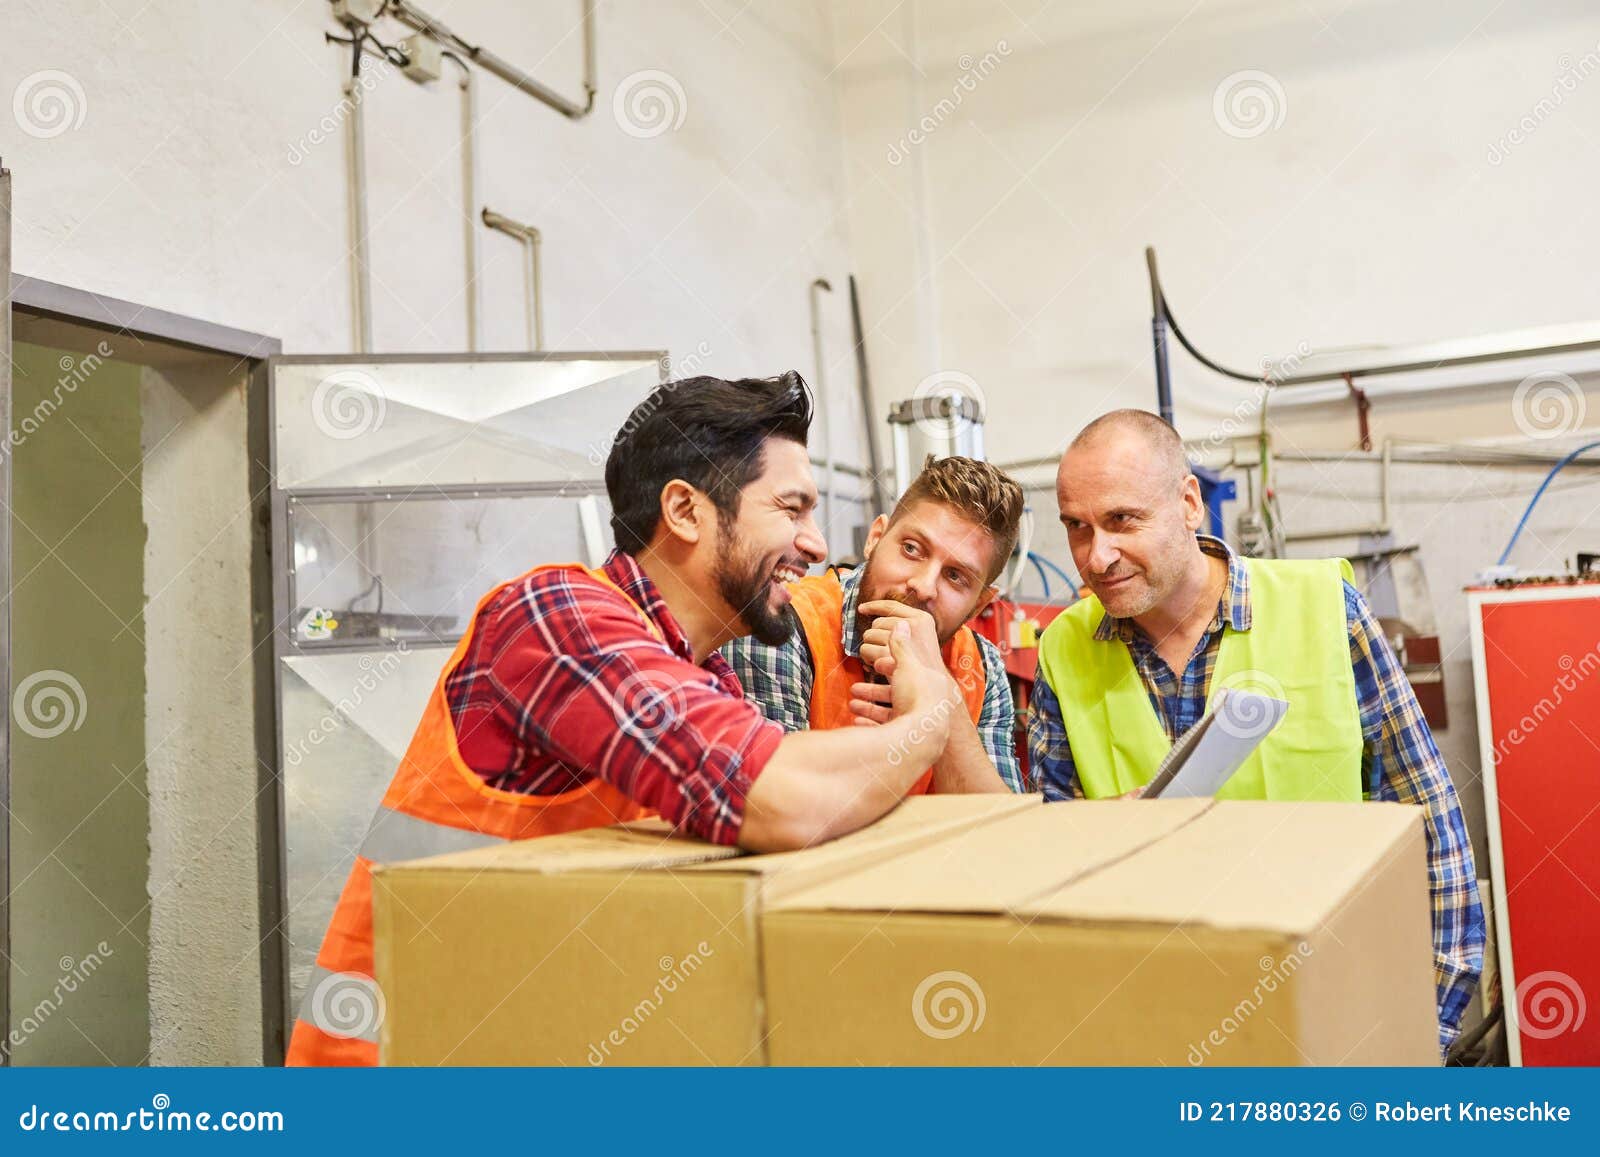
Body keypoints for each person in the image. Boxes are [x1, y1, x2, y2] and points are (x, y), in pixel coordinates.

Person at [287, 372, 963, 1066]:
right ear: (686, 510)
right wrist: (931, 717)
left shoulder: (709, 677)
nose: (817, 545)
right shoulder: (555, 615)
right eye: (791, 509)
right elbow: (782, 801)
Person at [1027, 409, 1485, 1053]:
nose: (1096, 556)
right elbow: (1044, 860)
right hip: (1156, 1035)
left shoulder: (1322, 607)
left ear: (1189, 503)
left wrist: (1421, 1031)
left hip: (1338, 1017)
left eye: (1122, 520)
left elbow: (1429, 827)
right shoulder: (1063, 649)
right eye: (1077, 527)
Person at [725, 454, 1026, 793]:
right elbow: (772, 804)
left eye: (956, 577)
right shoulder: (780, 623)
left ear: (980, 605)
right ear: (875, 538)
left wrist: (941, 696)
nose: (923, 586)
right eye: (912, 549)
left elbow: (1004, 830)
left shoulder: (981, 667)